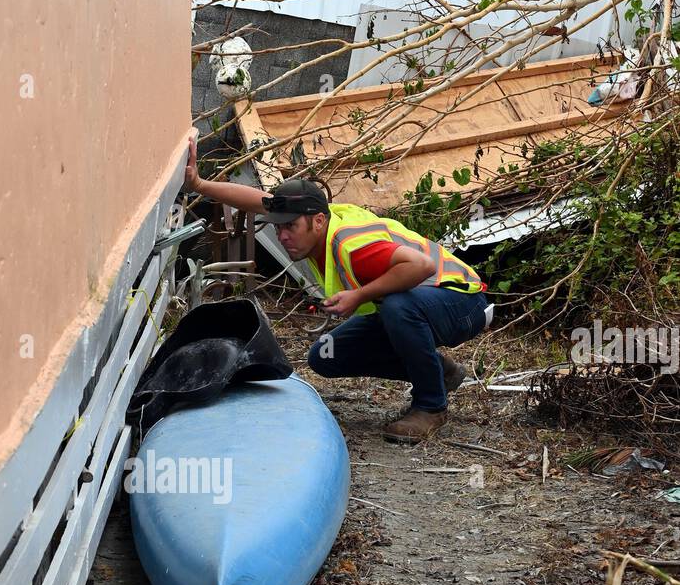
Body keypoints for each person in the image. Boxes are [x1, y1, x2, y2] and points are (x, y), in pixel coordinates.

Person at [184, 133, 490, 444]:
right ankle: (440, 372)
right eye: (278, 227)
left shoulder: (353, 247)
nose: (283, 236)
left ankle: (430, 406)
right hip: (420, 305)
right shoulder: (315, 219)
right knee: (326, 355)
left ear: (317, 221)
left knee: (399, 308)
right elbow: (255, 200)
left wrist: (359, 295)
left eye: (290, 227)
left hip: (463, 302)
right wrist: (199, 185)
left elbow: (421, 266)